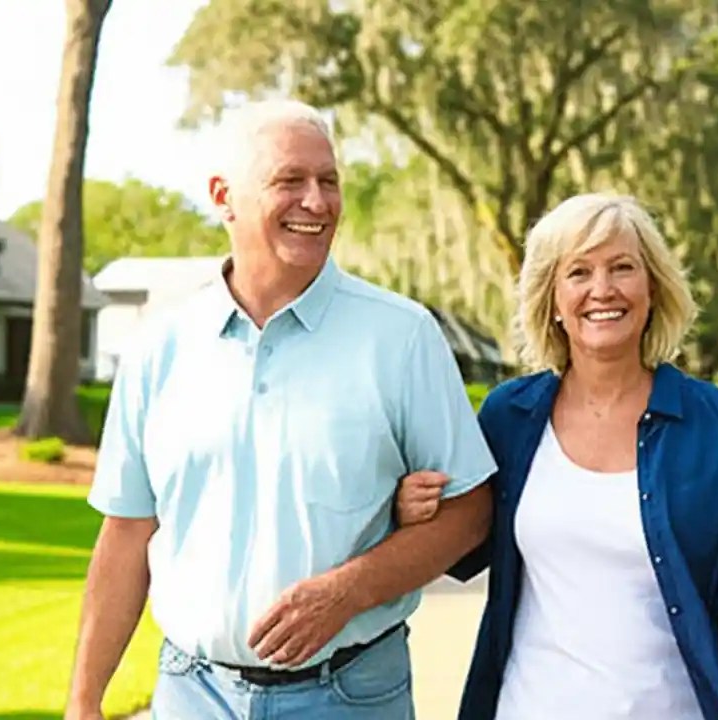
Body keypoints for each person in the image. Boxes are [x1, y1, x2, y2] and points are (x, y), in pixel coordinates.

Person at [65, 99, 496, 719]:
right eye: (289, 181)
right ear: (224, 197)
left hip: (350, 695)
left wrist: (347, 593)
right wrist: (83, 701)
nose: (316, 202)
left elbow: (469, 513)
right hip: (193, 694)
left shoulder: (402, 336)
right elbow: (127, 533)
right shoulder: (160, 347)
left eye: (328, 181)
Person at [396, 192, 718, 720]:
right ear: (553, 299)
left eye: (622, 267)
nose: (603, 290)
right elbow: (463, 544)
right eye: (578, 272)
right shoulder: (510, 416)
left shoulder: (713, 421)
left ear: (653, 288)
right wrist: (411, 508)